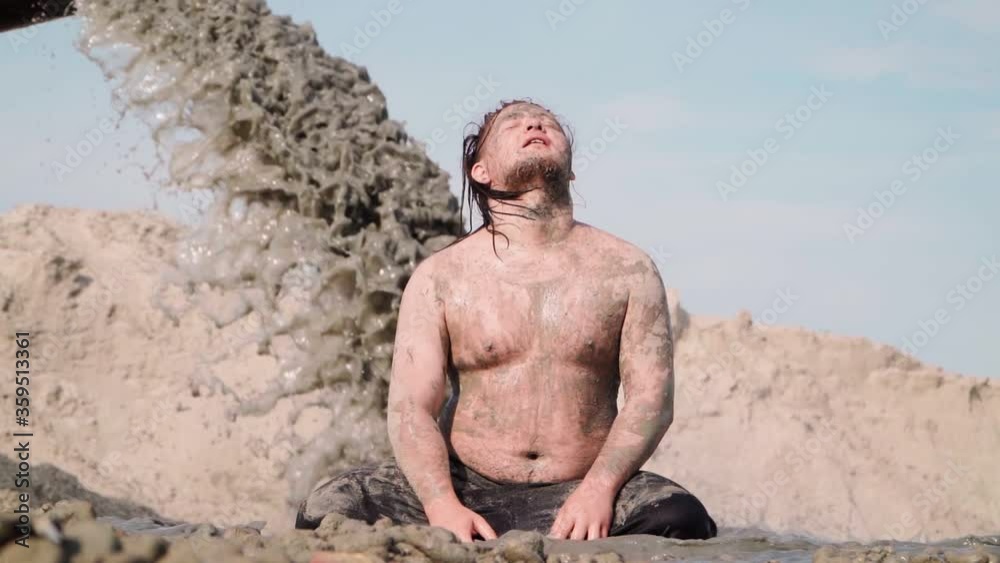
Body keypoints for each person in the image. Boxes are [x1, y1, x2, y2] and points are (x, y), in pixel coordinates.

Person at [296, 100, 717, 542]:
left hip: (580, 492)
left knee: (681, 517)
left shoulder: (629, 269)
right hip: (466, 491)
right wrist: (441, 504)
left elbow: (651, 400)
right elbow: (410, 407)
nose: (535, 123)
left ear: (571, 170)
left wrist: (600, 488)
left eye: (548, 123)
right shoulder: (440, 277)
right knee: (328, 506)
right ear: (482, 172)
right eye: (513, 124)